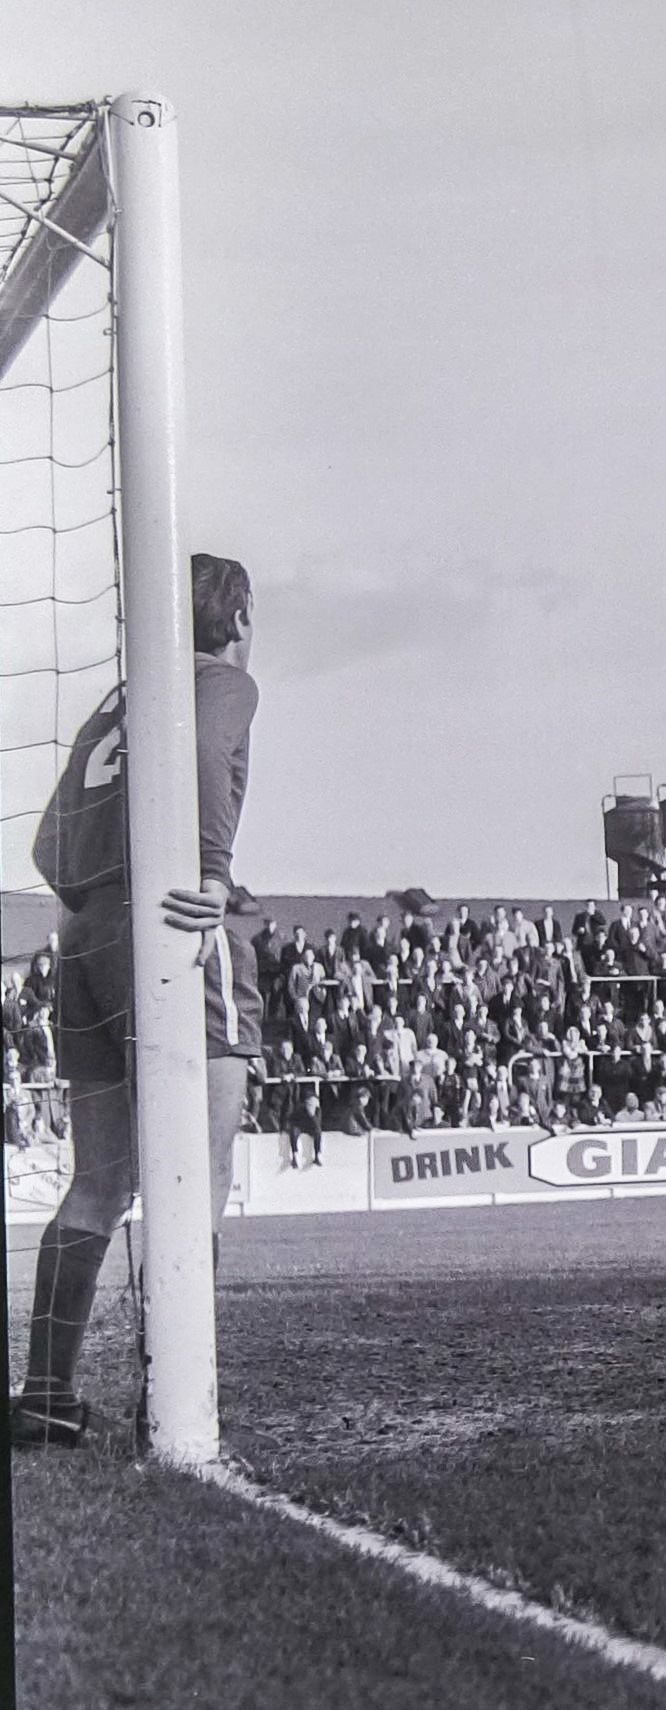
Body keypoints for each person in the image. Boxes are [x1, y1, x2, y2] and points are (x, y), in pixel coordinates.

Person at [13, 554, 264, 1449]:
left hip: (84, 935)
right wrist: (207, 872)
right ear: (234, 618)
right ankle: (180, 1397)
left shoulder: (113, 703)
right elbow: (203, 753)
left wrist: (95, 893)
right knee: (203, 1166)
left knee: (100, 1177)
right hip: (165, 928)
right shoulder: (222, 681)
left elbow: (46, 842)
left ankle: (45, 1394)